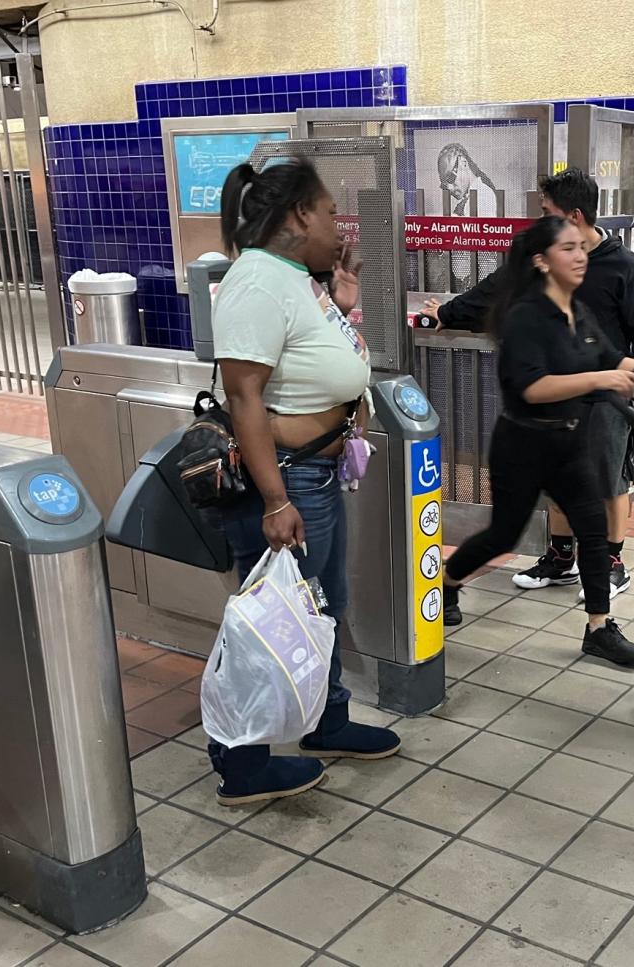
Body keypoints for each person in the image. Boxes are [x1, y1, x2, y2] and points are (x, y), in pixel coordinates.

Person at [208, 158, 400, 805]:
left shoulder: (299, 279)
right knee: (270, 617)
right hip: (290, 479)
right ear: (297, 216)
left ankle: (326, 719)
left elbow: (328, 362)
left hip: (316, 474)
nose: (336, 225)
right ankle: (241, 760)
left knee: (320, 608)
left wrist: (344, 305)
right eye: (327, 212)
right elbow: (244, 396)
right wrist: (275, 499)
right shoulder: (257, 281)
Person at [423, 169, 634, 599]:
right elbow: (495, 291)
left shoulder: (620, 269)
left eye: (548, 211)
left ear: (574, 216)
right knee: (532, 512)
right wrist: (449, 312)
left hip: (603, 403)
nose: (541, 221)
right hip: (547, 412)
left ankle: (607, 577)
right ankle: (555, 559)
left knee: (607, 486)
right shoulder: (537, 288)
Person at [442, 215, 634, 666]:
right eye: (568, 248)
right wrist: (604, 377)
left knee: (593, 531)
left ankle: (598, 628)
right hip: (524, 446)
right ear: (540, 261)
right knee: (503, 535)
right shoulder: (525, 317)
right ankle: (449, 582)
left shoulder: (577, 310)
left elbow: (611, 356)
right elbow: (534, 387)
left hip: (568, 443)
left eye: (581, 247)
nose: (580, 256)